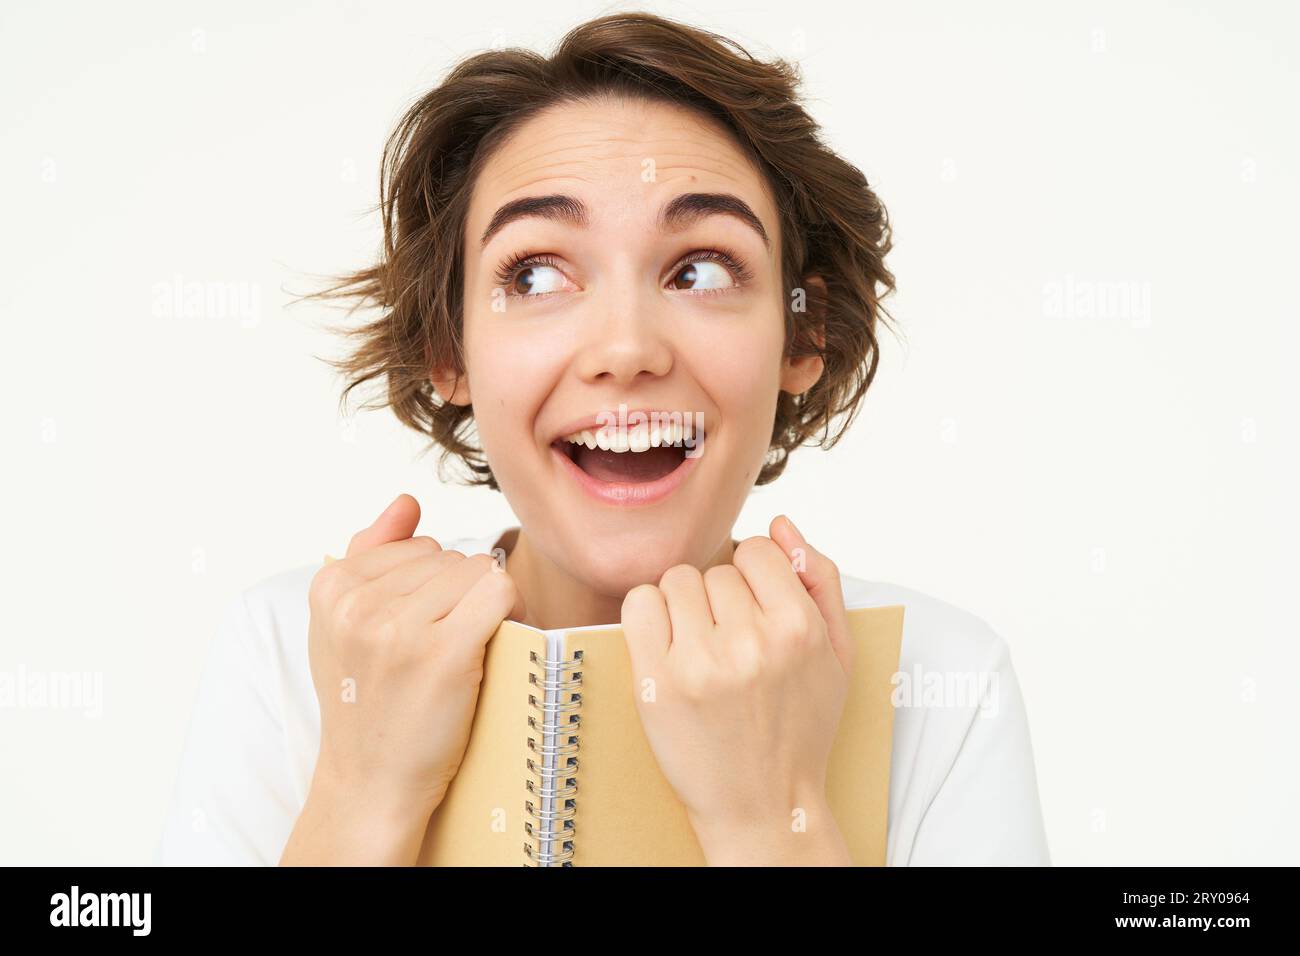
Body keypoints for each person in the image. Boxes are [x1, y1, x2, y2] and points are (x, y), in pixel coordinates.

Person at [156, 11, 1050, 866]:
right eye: (537, 273)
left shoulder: (943, 682)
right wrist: (361, 792)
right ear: (447, 350)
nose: (626, 348)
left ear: (802, 336)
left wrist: (770, 814)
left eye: (701, 269)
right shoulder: (292, 650)